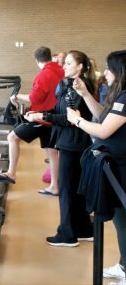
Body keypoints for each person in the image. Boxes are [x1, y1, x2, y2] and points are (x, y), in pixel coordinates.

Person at [67, 50, 126, 283]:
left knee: (123, 219)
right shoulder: (119, 95)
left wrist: (77, 120)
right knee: (120, 219)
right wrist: (85, 94)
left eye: (109, 69)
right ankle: (123, 265)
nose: (106, 73)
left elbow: (102, 131)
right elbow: (103, 118)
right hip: (116, 165)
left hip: (122, 166)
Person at [26, 50, 96, 246]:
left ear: (80, 67)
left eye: (67, 63)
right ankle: (83, 228)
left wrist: (43, 117)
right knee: (74, 188)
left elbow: (70, 118)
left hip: (73, 143)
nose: (63, 66)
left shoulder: (78, 86)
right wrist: (40, 112)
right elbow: (59, 110)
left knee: (66, 189)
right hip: (71, 142)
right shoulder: (71, 86)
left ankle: (67, 234)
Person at [0, 46, 63, 197]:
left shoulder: (44, 74)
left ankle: (11, 173)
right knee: (52, 152)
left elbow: (34, 98)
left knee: (12, 137)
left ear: (37, 60)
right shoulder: (60, 71)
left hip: (41, 117)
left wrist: (17, 97)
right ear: (50, 57)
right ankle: (55, 186)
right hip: (54, 117)